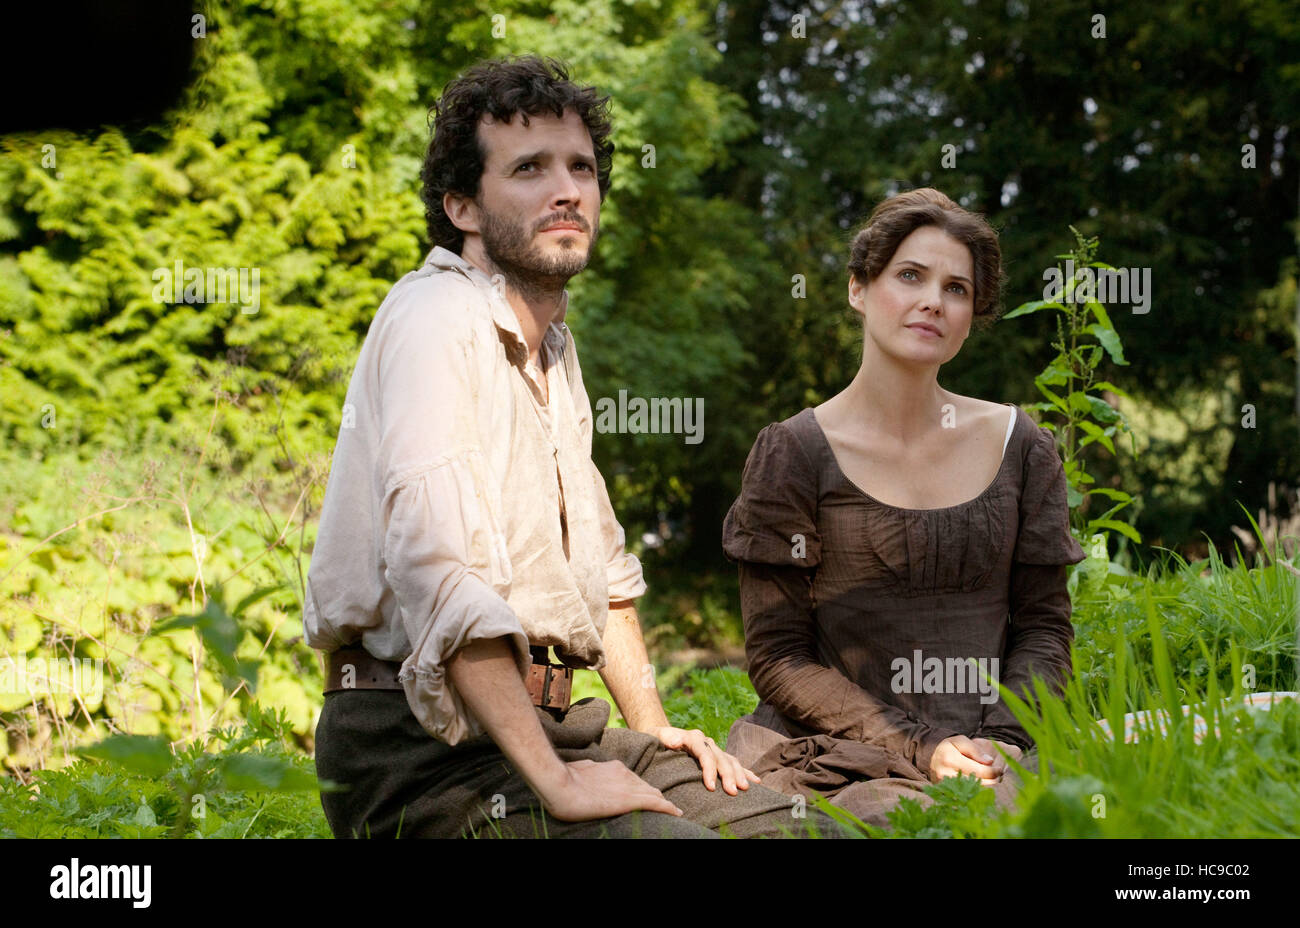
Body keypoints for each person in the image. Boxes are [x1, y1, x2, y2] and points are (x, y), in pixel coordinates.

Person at [303, 55, 834, 838]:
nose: (567, 189)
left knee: (805, 831)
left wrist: (650, 729)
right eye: (529, 168)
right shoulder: (434, 322)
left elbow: (608, 576)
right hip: (418, 747)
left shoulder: (552, 349)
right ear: (463, 206)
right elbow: (439, 573)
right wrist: (554, 781)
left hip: (553, 726)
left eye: (581, 167)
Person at [721, 187, 1086, 830]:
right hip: (848, 756)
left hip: (998, 751)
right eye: (910, 276)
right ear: (859, 289)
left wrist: (1004, 740)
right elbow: (779, 656)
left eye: (957, 289)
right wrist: (920, 747)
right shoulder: (796, 453)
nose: (932, 302)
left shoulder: (1022, 445)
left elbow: (1045, 629)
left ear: (974, 313)